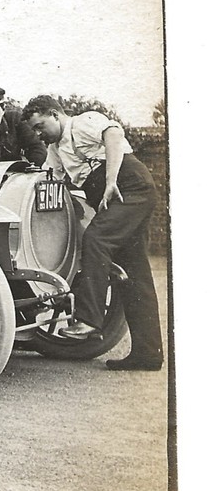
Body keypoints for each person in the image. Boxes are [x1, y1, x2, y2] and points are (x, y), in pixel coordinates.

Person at [21, 95, 162, 371]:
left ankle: (88, 319)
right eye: (34, 131)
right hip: (116, 193)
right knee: (134, 272)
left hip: (127, 186)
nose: (38, 134)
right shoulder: (56, 148)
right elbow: (50, 179)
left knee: (96, 240)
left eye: (40, 126)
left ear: (55, 114)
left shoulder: (81, 122)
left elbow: (113, 134)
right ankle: (148, 353)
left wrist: (110, 181)